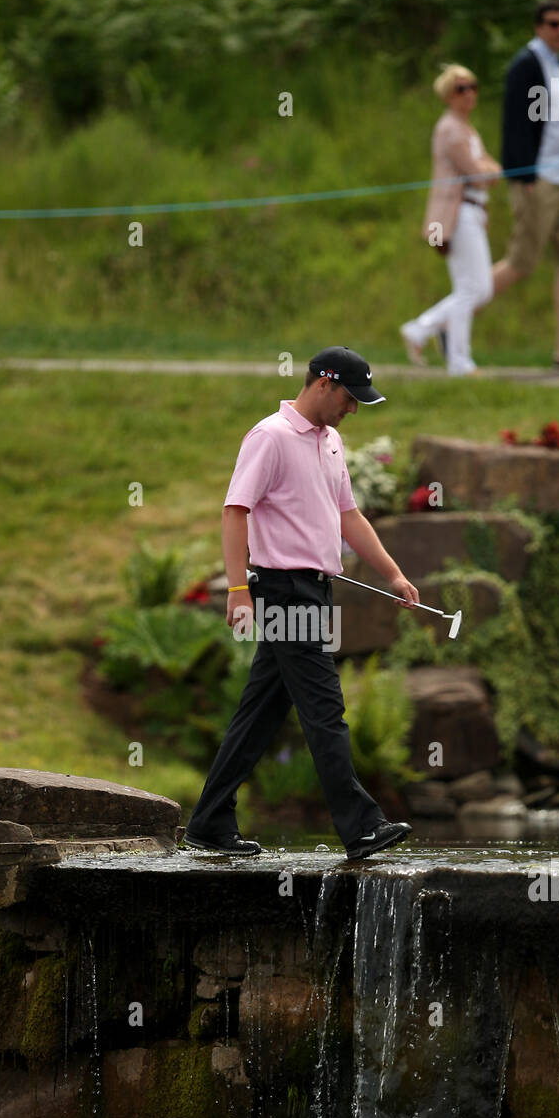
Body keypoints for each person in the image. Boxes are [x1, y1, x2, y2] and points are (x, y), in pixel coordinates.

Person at [183, 346, 417, 860]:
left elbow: (349, 516)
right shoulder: (269, 437)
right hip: (283, 590)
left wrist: (394, 574)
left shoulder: (330, 441)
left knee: (262, 713)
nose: (353, 410)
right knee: (324, 709)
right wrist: (238, 589)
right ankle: (360, 828)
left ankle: (208, 822)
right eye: (350, 398)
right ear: (323, 384)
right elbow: (234, 510)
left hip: (316, 589)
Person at [492, 0, 559, 369]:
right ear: (539, 26)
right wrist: (522, 174)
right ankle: (443, 321)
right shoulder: (525, 65)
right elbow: (514, 124)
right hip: (536, 178)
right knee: (522, 261)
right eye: (554, 24)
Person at [400, 65, 501, 377]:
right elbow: (478, 172)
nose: (469, 93)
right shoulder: (450, 129)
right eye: (461, 88)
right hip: (457, 215)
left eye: (472, 86)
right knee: (471, 288)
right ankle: (459, 362)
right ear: (447, 95)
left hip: (473, 211)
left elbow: (492, 168)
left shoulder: (467, 128)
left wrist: (488, 170)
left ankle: (420, 328)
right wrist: (488, 170)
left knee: (479, 289)